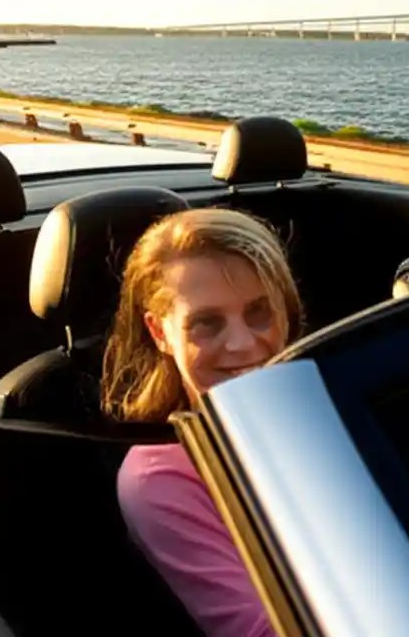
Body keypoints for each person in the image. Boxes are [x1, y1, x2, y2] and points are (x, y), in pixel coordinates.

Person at [104, 207, 303, 637]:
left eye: (259, 312)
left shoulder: (332, 407)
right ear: (160, 334)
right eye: (206, 324)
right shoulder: (160, 476)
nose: (242, 343)